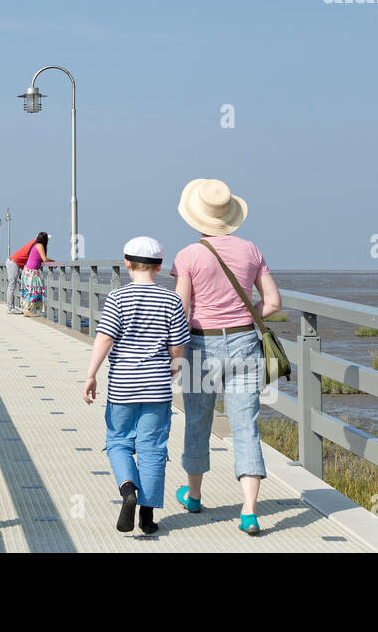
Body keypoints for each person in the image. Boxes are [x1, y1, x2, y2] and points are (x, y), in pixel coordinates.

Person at [170, 178, 281, 536]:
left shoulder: (188, 256)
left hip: (200, 346)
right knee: (245, 426)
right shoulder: (251, 250)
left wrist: (172, 354)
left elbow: (182, 309)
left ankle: (195, 494)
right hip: (245, 344)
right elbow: (275, 303)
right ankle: (249, 511)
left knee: (198, 420)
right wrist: (247, 318)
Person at [83, 237, 189, 535]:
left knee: (118, 441)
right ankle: (147, 515)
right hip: (157, 386)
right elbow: (178, 346)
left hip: (123, 386)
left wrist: (91, 375)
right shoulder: (171, 300)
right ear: (159, 266)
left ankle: (128, 489)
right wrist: (174, 371)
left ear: (127, 263)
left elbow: (105, 338)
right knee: (152, 447)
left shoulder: (118, 298)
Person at [4, 234, 42, 314]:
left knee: (27, 284)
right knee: (12, 285)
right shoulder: (35, 245)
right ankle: (10, 308)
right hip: (14, 263)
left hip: (18, 264)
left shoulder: (35, 244)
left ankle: (27, 307)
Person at [20, 232, 53, 316]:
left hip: (29, 271)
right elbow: (44, 259)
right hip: (31, 272)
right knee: (33, 291)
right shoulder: (40, 246)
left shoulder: (36, 245)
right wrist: (53, 262)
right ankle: (28, 311)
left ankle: (28, 310)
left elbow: (40, 259)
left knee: (30, 291)